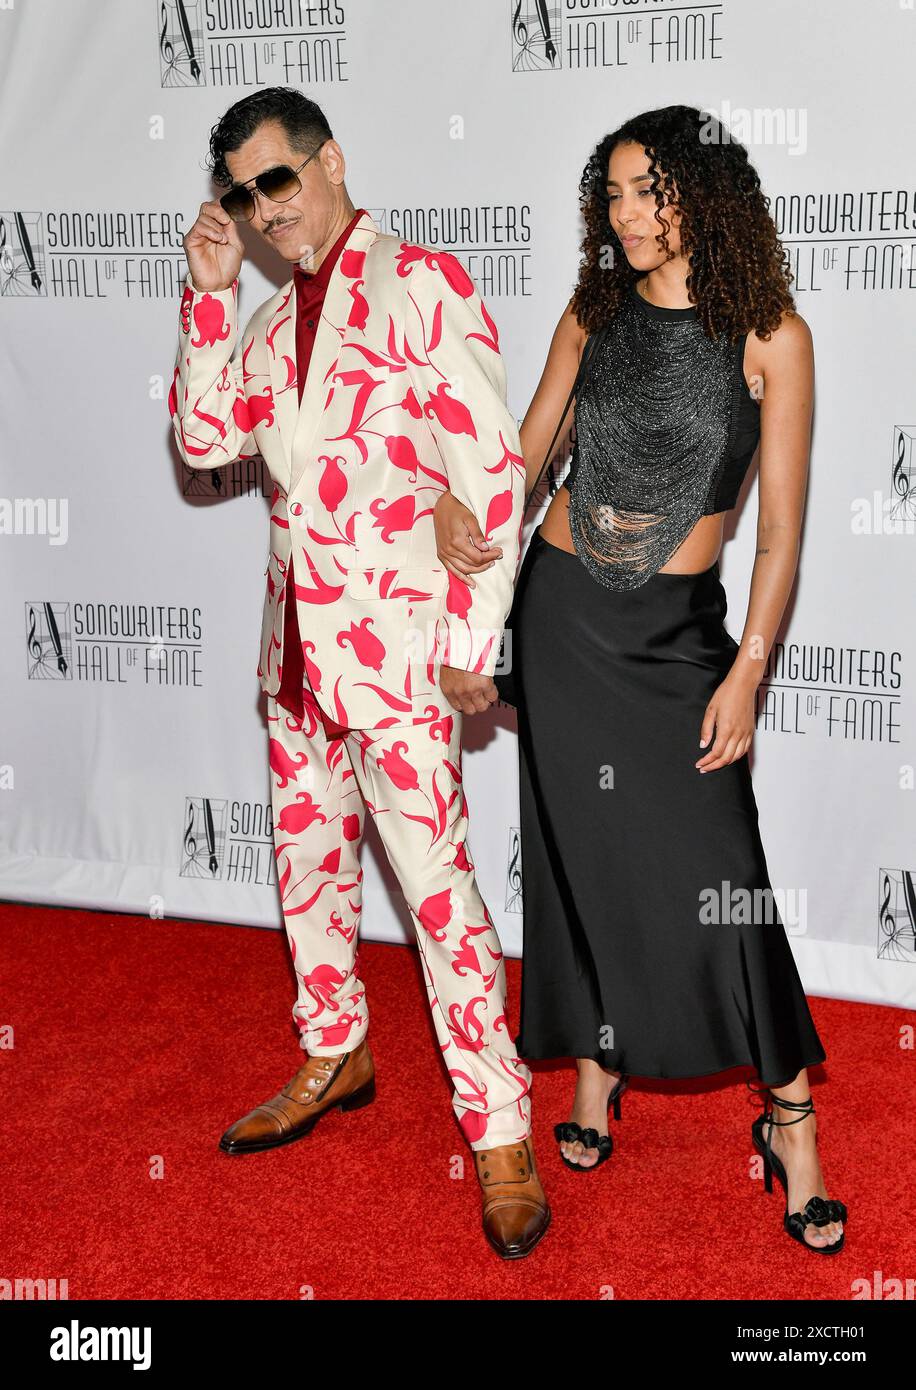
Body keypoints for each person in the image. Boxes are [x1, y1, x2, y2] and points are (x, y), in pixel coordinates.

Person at [432, 105, 847, 1253]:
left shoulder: (772, 335)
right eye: (608, 194)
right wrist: (467, 509)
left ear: (700, 195)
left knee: (725, 873)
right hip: (562, 616)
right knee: (576, 852)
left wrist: (749, 674)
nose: (621, 215)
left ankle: (792, 1122)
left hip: (675, 641)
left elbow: (778, 542)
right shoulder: (592, 312)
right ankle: (596, 1067)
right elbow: (520, 461)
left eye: (644, 191)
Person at [169, 86, 550, 1259]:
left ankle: (497, 1131)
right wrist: (208, 292)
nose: (264, 210)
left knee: (439, 898)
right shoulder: (269, 324)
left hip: (393, 667)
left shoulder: (419, 283)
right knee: (310, 875)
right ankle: (334, 1050)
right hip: (293, 659)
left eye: (277, 180)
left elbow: (488, 474)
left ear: (330, 162)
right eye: (241, 193)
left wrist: (466, 645)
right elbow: (200, 443)